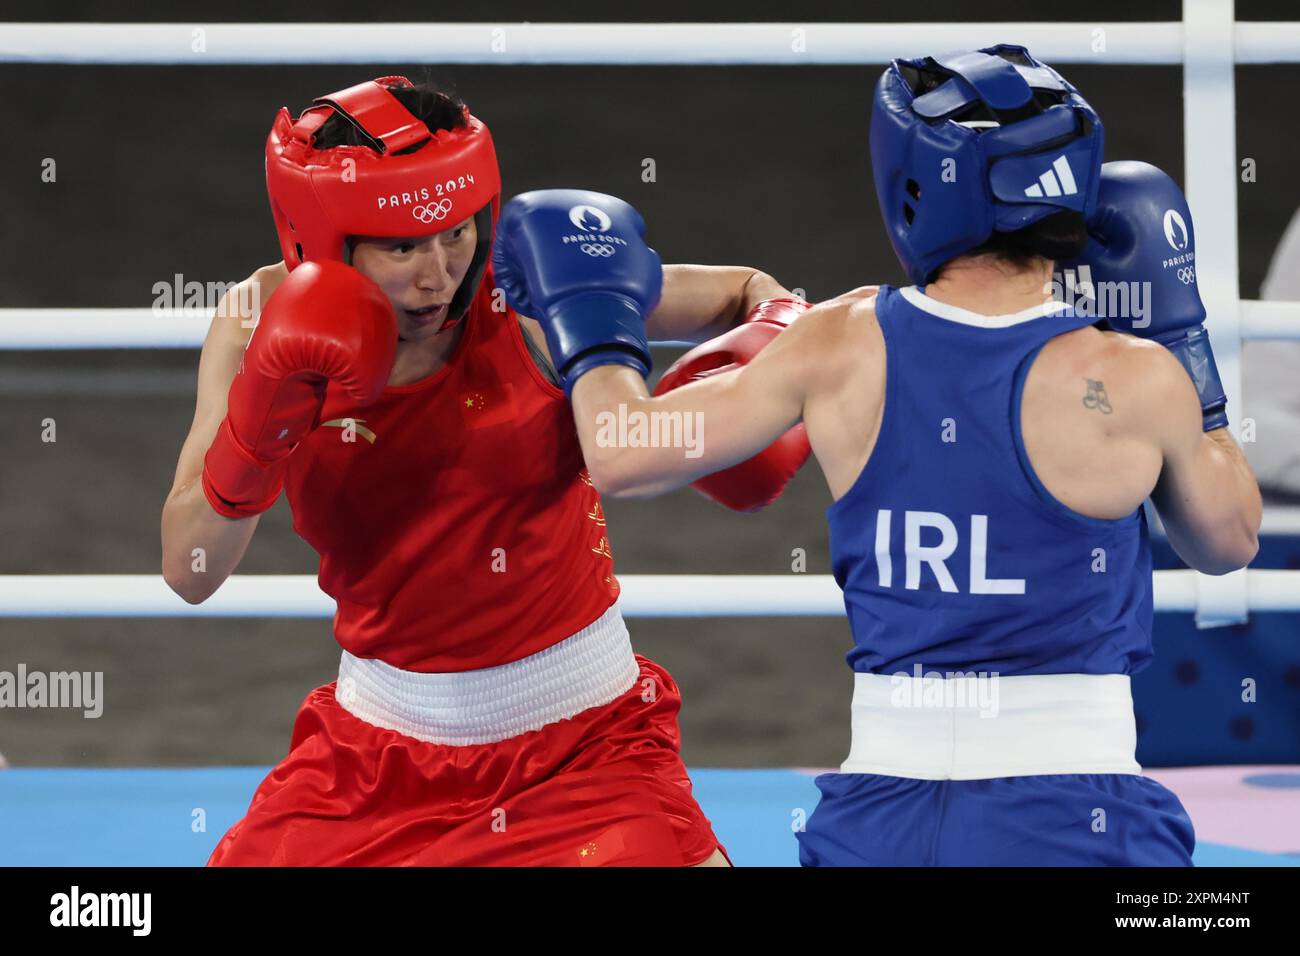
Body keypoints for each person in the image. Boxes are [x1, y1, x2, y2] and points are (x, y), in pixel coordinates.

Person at [491, 45, 1262, 866]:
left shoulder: (843, 342)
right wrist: (1184, 351)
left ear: (917, 188)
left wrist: (596, 327)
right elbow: (1228, 543)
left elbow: (621, 452)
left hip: (883, 820)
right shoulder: (1136, 377)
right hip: (1081, 816)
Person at [160, 75, 806, 866]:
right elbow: (189, 570)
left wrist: (760, 348)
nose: (440, 276)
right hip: (375, 761)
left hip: (587, 751)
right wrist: (257, 433)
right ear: (320, 240)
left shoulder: (528, 289)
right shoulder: (257, 323)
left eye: (457, 233)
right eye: (402, 247)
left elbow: (752, 293)